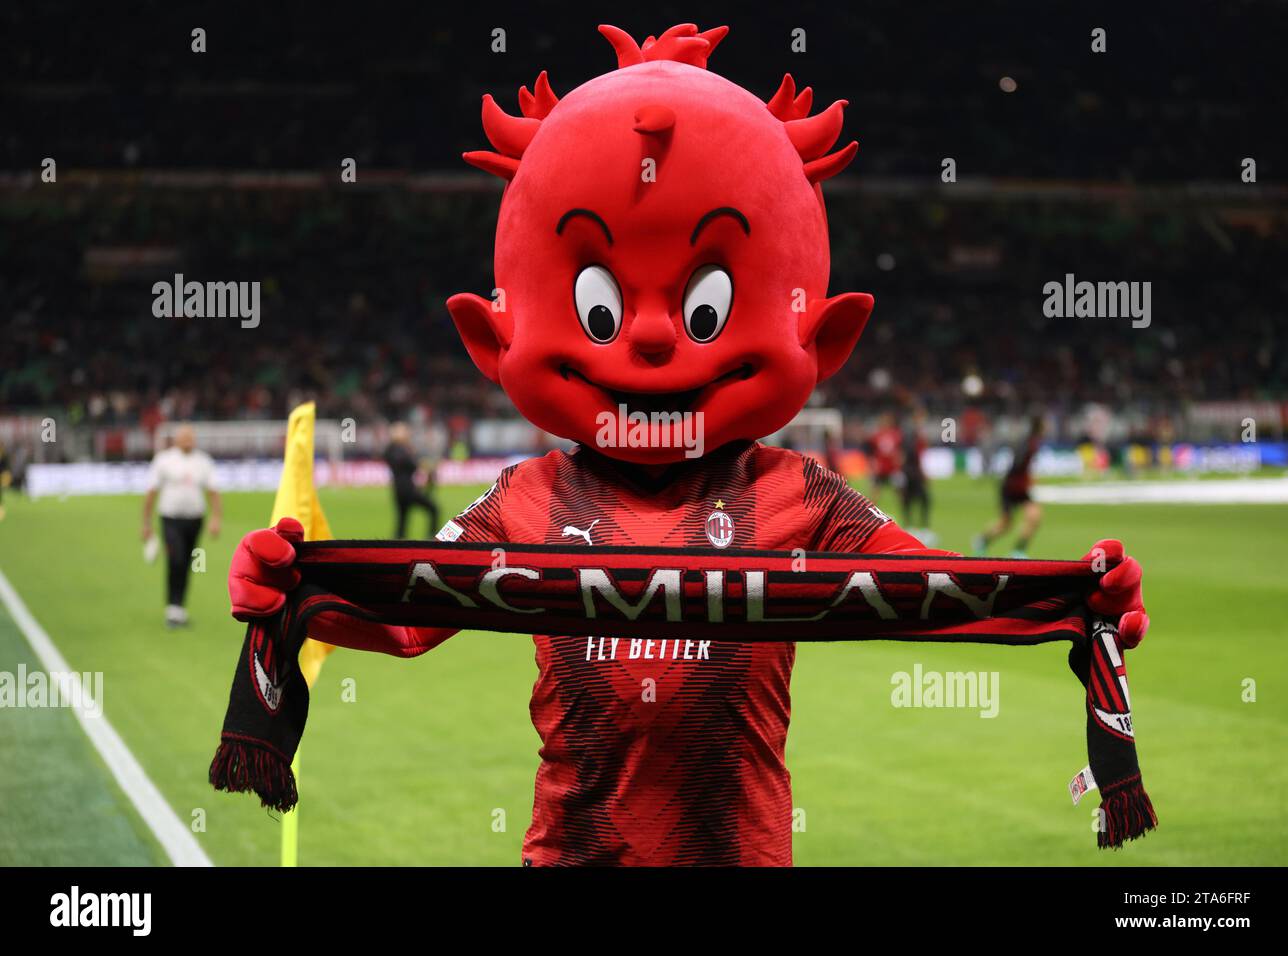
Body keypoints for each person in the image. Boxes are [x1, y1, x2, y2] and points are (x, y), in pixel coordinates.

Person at [229, 23, 1148, 866]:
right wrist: (299, 586)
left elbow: (943, 592)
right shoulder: (528, 496)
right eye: (603, 305)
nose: (656, 339)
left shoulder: (804, 494)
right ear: (492, 333)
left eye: (704, 303)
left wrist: (1077, 597)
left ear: (824, 336)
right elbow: (405, 614)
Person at [142, 424, 220, 627]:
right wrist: (146, 523)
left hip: (195, 519)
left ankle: (179, 608)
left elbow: (212, 491)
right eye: (184, 437)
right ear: (176, 439)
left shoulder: (203, 461)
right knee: (175, 558)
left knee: (189, 562)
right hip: (171, 518)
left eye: (190, 437)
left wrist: (215, 518)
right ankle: (172, 607)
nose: (187, 440)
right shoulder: (164, 460)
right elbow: (151, 491)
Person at [974, 416, 1045, 558]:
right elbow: (1017, 464)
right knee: (1006, 524)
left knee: (1034, 516)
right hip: (1010, 487)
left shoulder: (1030, 442)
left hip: (1020, 487)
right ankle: (982, 540)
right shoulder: (1028, 443)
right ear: (1040, 426)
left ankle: (1018, 551)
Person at [383, 422, 439, 538]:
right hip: (407, 489)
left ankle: (398, 543)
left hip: (398, 489)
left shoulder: (391, 450)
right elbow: (412, 464)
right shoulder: (400, 450)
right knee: (433, 509)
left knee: (402, 520)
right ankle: (431, 537)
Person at [899, 407, 934, 545]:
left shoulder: (915, 432)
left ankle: (912, 528)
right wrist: (922, 473)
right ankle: (919, 530)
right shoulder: (912, 433)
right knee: (922, 499)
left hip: (910, 471)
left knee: (912, 500)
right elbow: (911, 454)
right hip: (912, 472)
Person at [867, 410, 903, 505]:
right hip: (880, 468)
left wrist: (899, 460)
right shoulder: (876, 435)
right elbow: (871, 451)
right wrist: (873, 463)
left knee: (899, 490)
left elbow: (899, 450)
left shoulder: (895, 434)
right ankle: (872, 509)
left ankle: (904, 508)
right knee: (875, 490)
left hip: (892, 468)